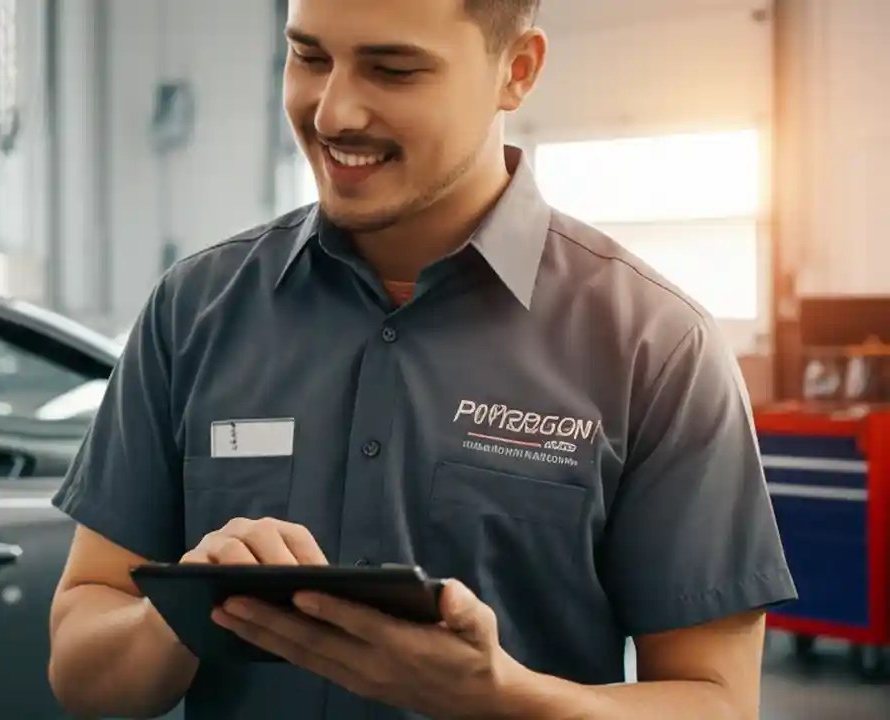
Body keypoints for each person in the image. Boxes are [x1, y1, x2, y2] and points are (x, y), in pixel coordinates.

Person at [48, 0, 796, 718]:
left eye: (394, 70)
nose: (333, 111)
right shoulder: (194, 312)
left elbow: (717, 701)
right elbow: (81, 671)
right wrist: (178, 614)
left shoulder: (656, 347)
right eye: (309, 56)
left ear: (518, 70)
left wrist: (503, 700)